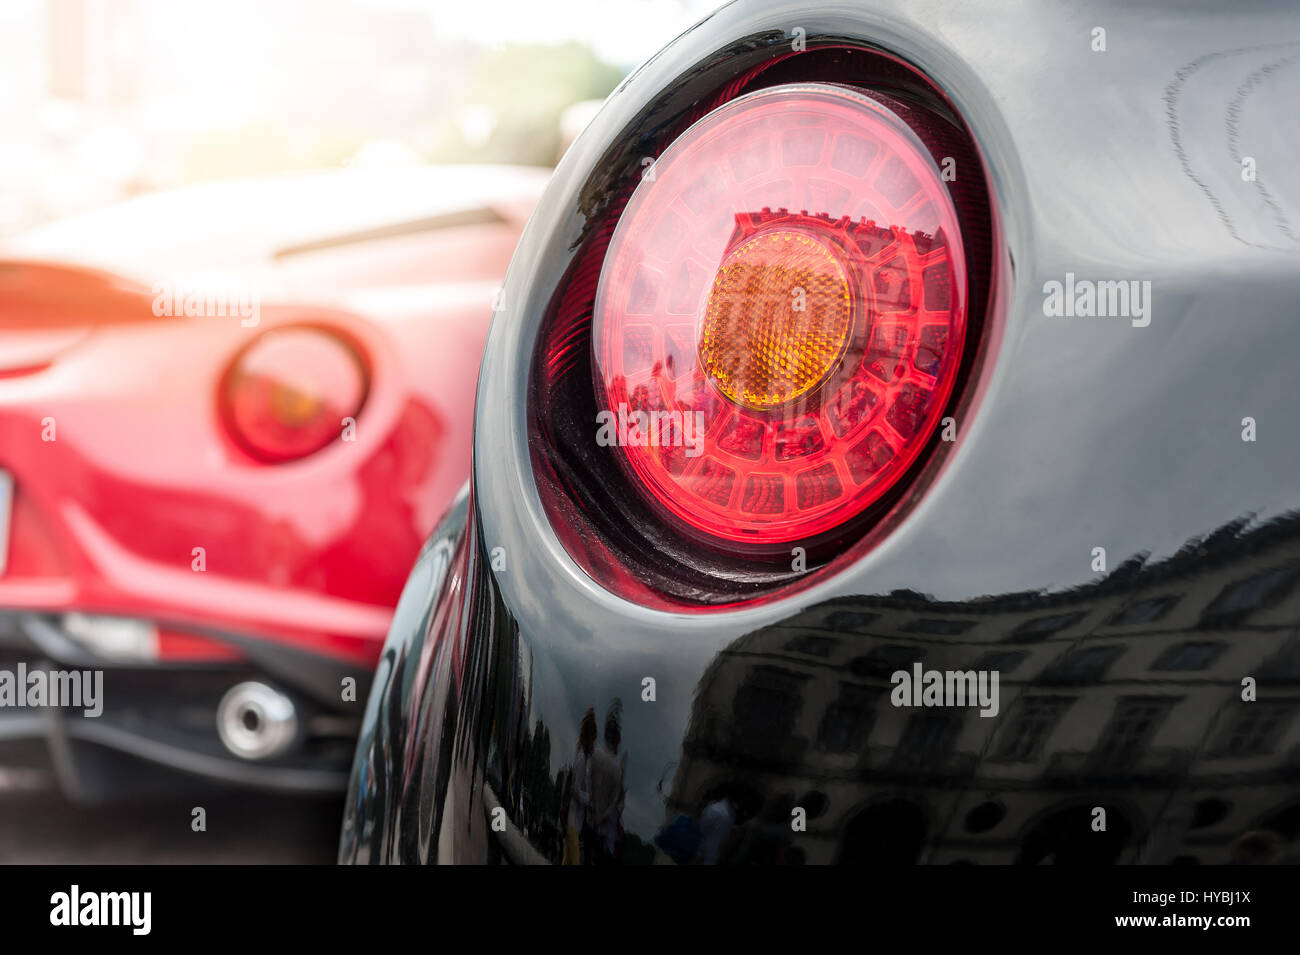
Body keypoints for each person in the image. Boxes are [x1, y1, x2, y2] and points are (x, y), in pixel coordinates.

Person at [589, 701, 626, 864]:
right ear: (617, 740)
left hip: (587, 819)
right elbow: (613, 803)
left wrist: (591, 808)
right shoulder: (617, 769)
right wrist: (601, 817)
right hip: (601, 828)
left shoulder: (594, 754)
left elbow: (587, 784)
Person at [561, 708, 597, 866]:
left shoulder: (581, 757)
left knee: (567, 860)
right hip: (573, 822)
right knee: (574, 861)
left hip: (574, 822)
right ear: (589, 738)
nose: (594, 744)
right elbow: (575, 790)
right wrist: (589, 798)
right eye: (593, 740)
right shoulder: (582, 759)